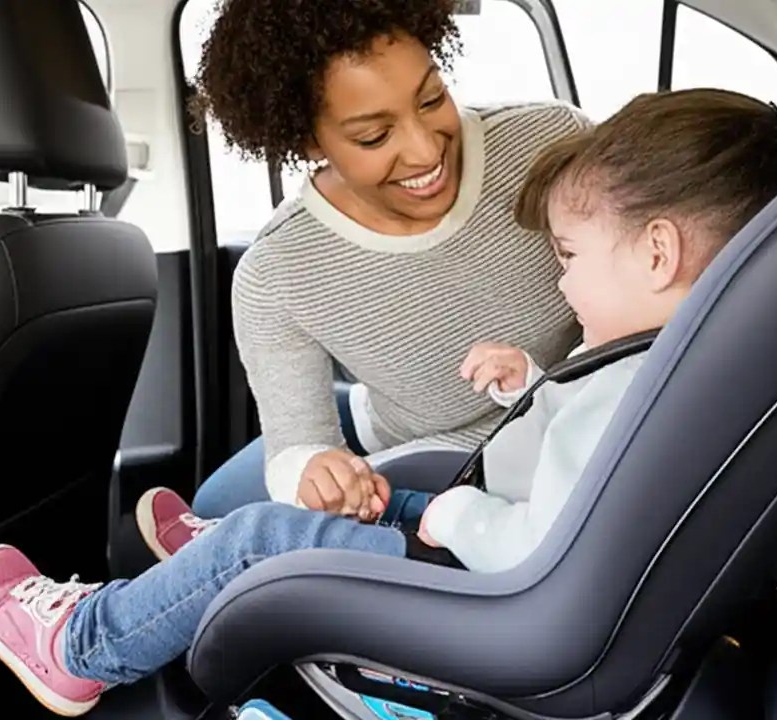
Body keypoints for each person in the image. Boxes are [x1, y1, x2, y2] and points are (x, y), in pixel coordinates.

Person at [0, 89, 777, 716]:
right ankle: (214, 560)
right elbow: (592, 455)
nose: (558, 280)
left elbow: (536, 540)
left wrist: (457, 521)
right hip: (534, 553)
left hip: (510, 594)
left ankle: (84, 646)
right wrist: (533, 387)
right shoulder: (696, 360)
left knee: (274, 533)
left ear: (655, 254)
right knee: (358, 499)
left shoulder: (631, 380)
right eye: (373, 130)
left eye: (566, 256)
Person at [186, 0, 588, 520]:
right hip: (397, 424)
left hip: (528, 420)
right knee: (216, 504)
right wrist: (313, 469)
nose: (425, 152)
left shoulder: (550, 144)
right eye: (373, 136)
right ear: (307, 141)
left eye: (431, 98)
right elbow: (296, 445)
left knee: (230, 516)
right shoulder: (276, 273)